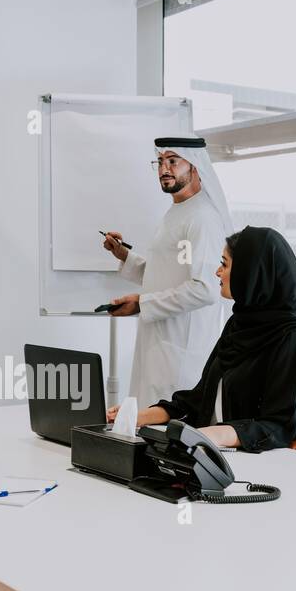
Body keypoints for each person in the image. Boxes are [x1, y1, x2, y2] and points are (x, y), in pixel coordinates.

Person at [108, 226, 296, 452]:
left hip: (266, 460)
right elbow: (197, 399)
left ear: (250, 271)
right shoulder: (239, 323)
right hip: (219, 450)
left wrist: (210, 436)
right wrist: (136, 415)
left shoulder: (293, 336)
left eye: (224, 264)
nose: (217, 272)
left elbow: (278, 426)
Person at [101, 135, 233, 405]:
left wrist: (142, 303)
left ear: (194, 166)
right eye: (160, 162)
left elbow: (205, 289)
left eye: (173, 161)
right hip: (158, 345)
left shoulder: (203, 219)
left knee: (168, 433)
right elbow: (166, 273)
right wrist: (124, 255)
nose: (164, 169)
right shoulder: (176, 213)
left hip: (181, 355)